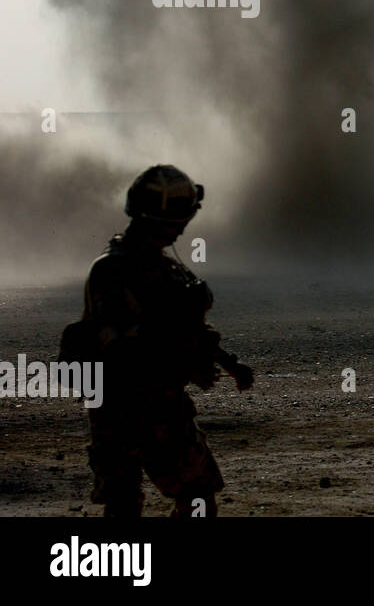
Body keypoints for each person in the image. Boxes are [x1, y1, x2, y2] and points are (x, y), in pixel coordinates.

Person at [59, 164, 253, 517]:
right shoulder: (113, 272)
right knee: (125, 501)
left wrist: (228, 363)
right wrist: (187, 363)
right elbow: (123, 350)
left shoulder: (165, 269)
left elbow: (188, 328)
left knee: (197, 494)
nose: (182, 228)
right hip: (120, 408)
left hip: (163, 404)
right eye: (178, 219)